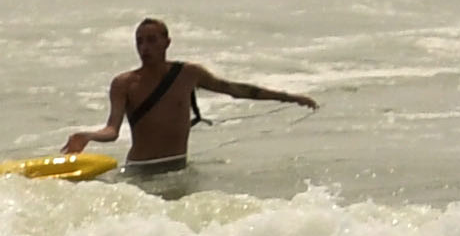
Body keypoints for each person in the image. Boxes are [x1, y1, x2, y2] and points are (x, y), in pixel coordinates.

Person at [81, 16, 317, 171]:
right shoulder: (124, 83)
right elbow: (112, 130)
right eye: (139, 42)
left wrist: (290, 97)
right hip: (141, 170)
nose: (144, 48)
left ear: (167, 42)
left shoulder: (188, 74)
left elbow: (235, 90)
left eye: (152, 40)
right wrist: (88, 136)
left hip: (179, 168)